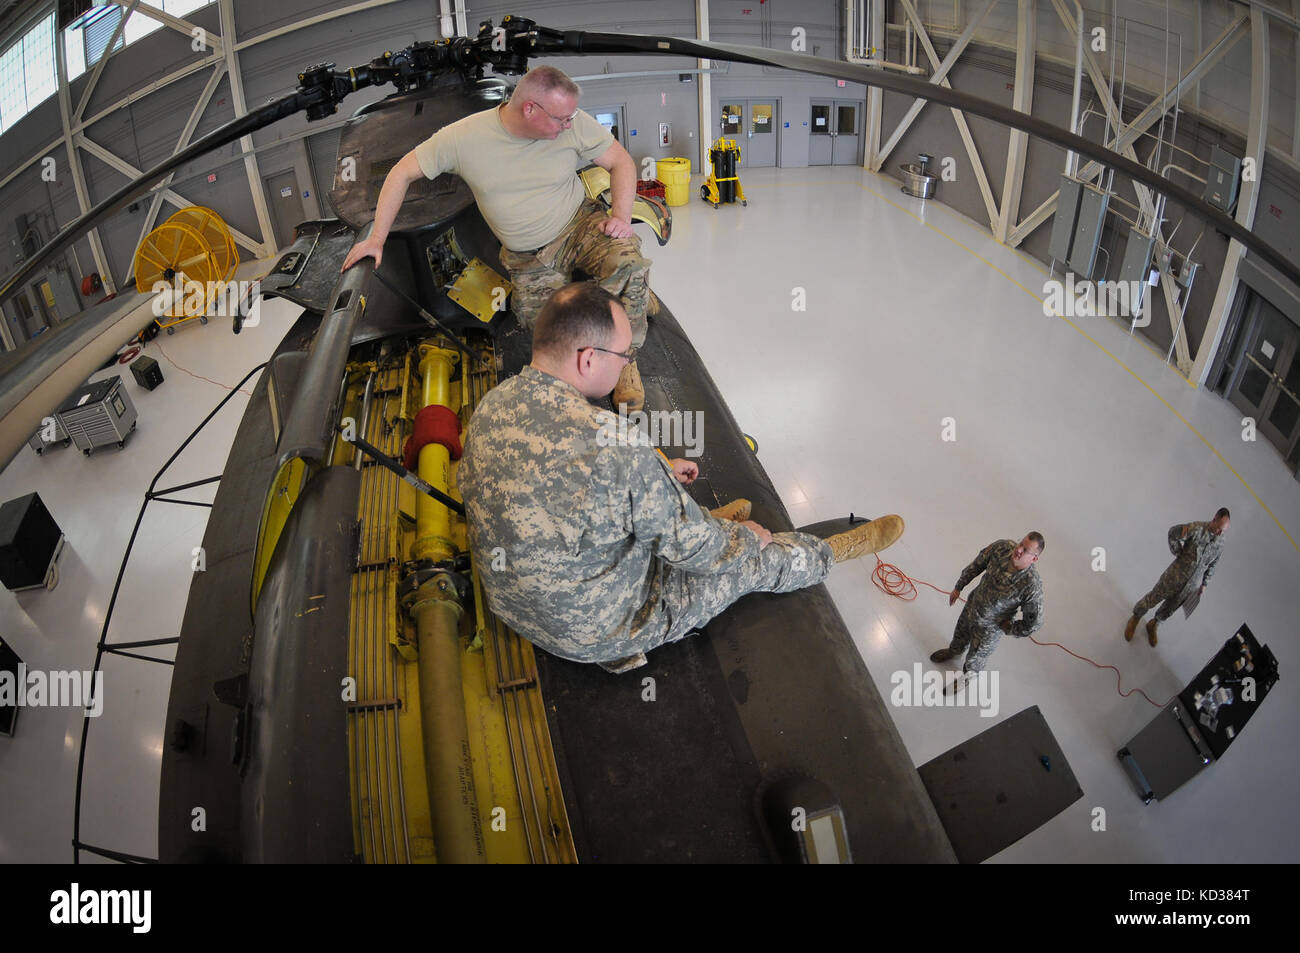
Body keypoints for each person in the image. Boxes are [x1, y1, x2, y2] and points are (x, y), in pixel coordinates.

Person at [457, 283, 905, 673]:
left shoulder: (492, 406)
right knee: (747, 563)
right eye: (625, 355)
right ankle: (826, 553)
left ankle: (686, 511)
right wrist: (747, 539)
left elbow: (552, 485)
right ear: (588, 358)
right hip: (594, 630)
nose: (626, 364)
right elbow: (699, 551)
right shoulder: (615, 444)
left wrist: (653, 474)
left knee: (654, 510)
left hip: (517, 609)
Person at [341, 64, 652, 410]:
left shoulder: (573, 123)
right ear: (530, 109)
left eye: (571, 117)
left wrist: (620, 216)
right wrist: (377, 239)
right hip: (527, 256)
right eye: (561, 119)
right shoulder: (463, 138)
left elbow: (621, 161)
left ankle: (626, 358)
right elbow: (401, 173)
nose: (569, 125)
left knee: (628, 263)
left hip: (579, 226)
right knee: (546, 332)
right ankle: (629, 304)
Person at [930, 534, 1045, 691]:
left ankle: (967, 678)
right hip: (973, 607)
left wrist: (1009, 628)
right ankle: (954, 652)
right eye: (1020, 544)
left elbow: (1033, 623)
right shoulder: (1002, 548)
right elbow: (977, 565)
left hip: (990, 629)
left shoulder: (1031, 585)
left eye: (1025, 550)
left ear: (1034, 558)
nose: (1018, 549)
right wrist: (959, 587)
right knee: (960, 634)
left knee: (977, 657)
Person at [1124, 508, 1229, 646]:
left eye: (1223, 531)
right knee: (1153, 598)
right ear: (1214, 519)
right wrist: (1178, 552)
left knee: (1169, 609)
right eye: (1219, 529)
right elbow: (1173, 533)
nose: (1220, 533)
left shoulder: (1220, 542)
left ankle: (1153, 624)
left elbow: (1213, 564)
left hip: (1189, 586)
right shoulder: (1196, 528)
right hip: (1174, 576)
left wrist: (1205, 584)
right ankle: (1136, 617)